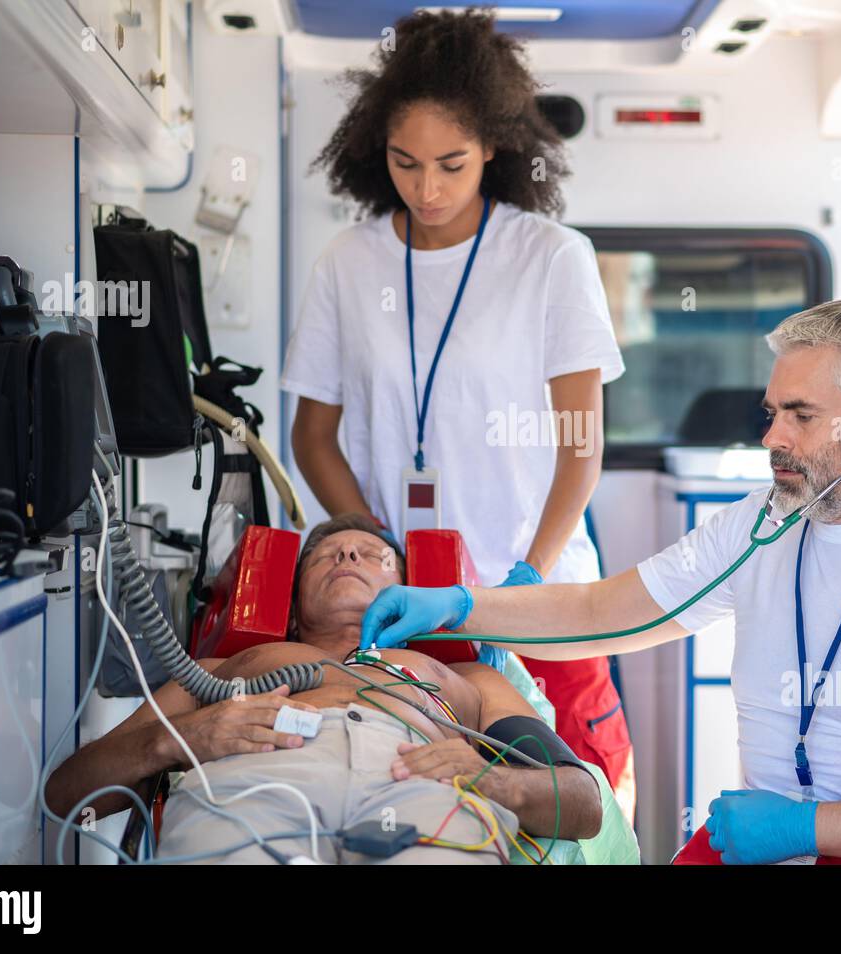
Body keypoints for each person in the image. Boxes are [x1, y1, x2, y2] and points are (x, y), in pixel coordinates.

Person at [360, 298, 841, 864]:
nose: (772, 438)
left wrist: (807, 829)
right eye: (772, 412)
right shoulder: (762, 521)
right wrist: (460, 608)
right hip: (768, 842)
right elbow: (601, 612)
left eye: (801, 416)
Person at [281, 9, 633, 815]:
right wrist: (376, 549)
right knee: (419, 807)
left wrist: (528, 578)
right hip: (403, 618)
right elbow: (313, 435)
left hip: (541, 605)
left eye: (452, 163)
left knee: (580, 814)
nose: (428, 188)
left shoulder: (550, 259)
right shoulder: (350, 262)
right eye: (406, 163)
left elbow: (581, 444)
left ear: (496, 148)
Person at [46, 514, 603, 864]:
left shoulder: (469, 682)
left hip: (425, 787)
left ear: (410, 590)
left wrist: (494, 780)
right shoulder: (223, 667)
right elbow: (65, 795)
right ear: (289, 607)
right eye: (324, 555)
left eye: (373, 555)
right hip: (254, 785)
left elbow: (583, 804)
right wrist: (177, 740)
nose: (347, 555)